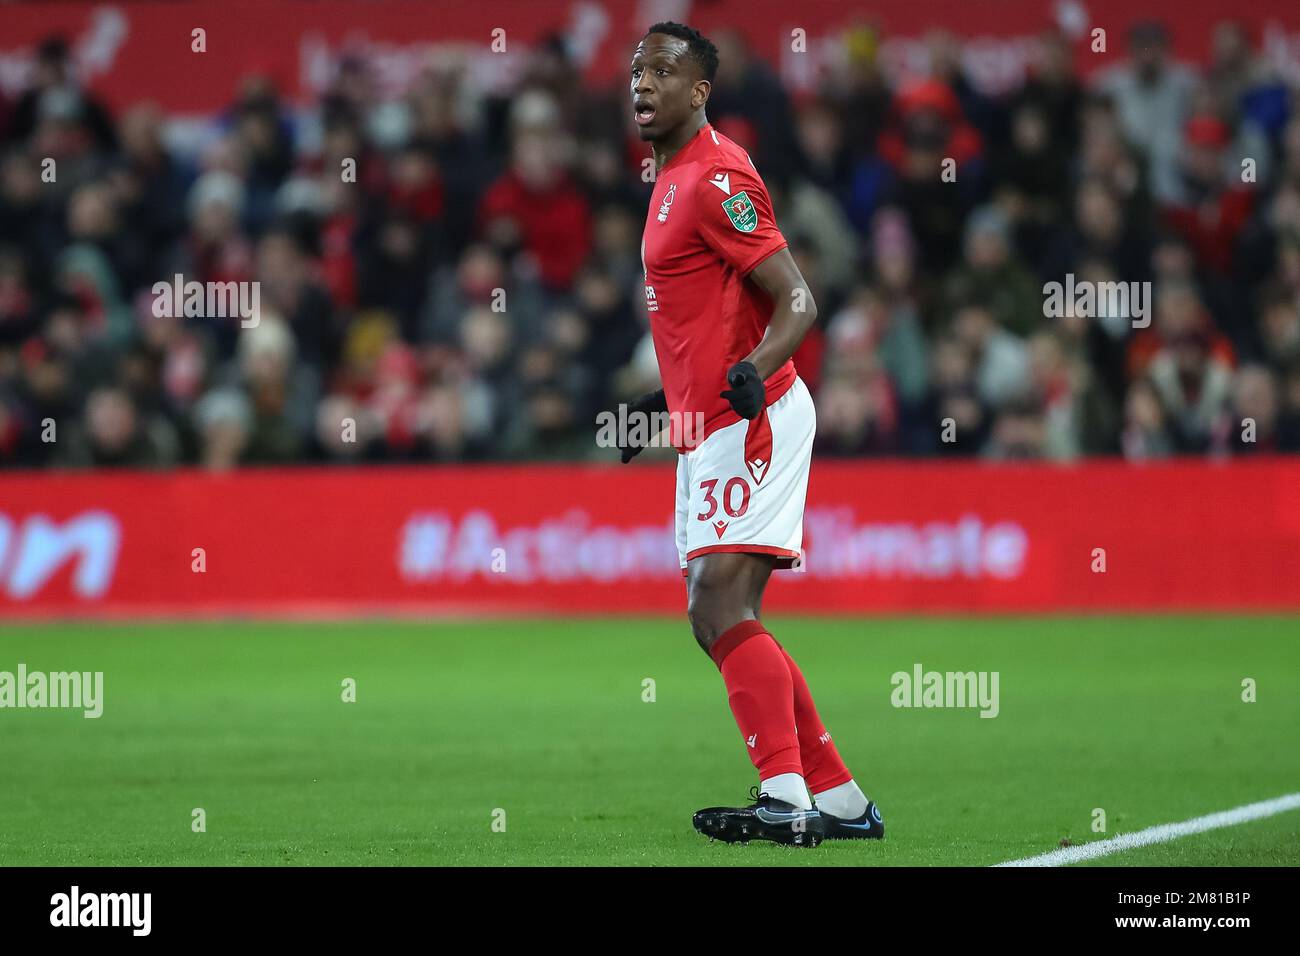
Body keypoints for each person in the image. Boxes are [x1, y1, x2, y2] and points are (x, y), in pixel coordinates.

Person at [617, 22, 883, 847]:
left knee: (718, 602)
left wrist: (753, 369)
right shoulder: (669, 179)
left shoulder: (717, 176)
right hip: (709, 426)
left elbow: (799, 297)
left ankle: (784, 794)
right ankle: (835, 798)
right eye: (636, 69)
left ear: (699, 91)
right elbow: (702, 319)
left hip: (754, 416)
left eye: (662, 70)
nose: (642, 83)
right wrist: (670, 415)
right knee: (723, 614)